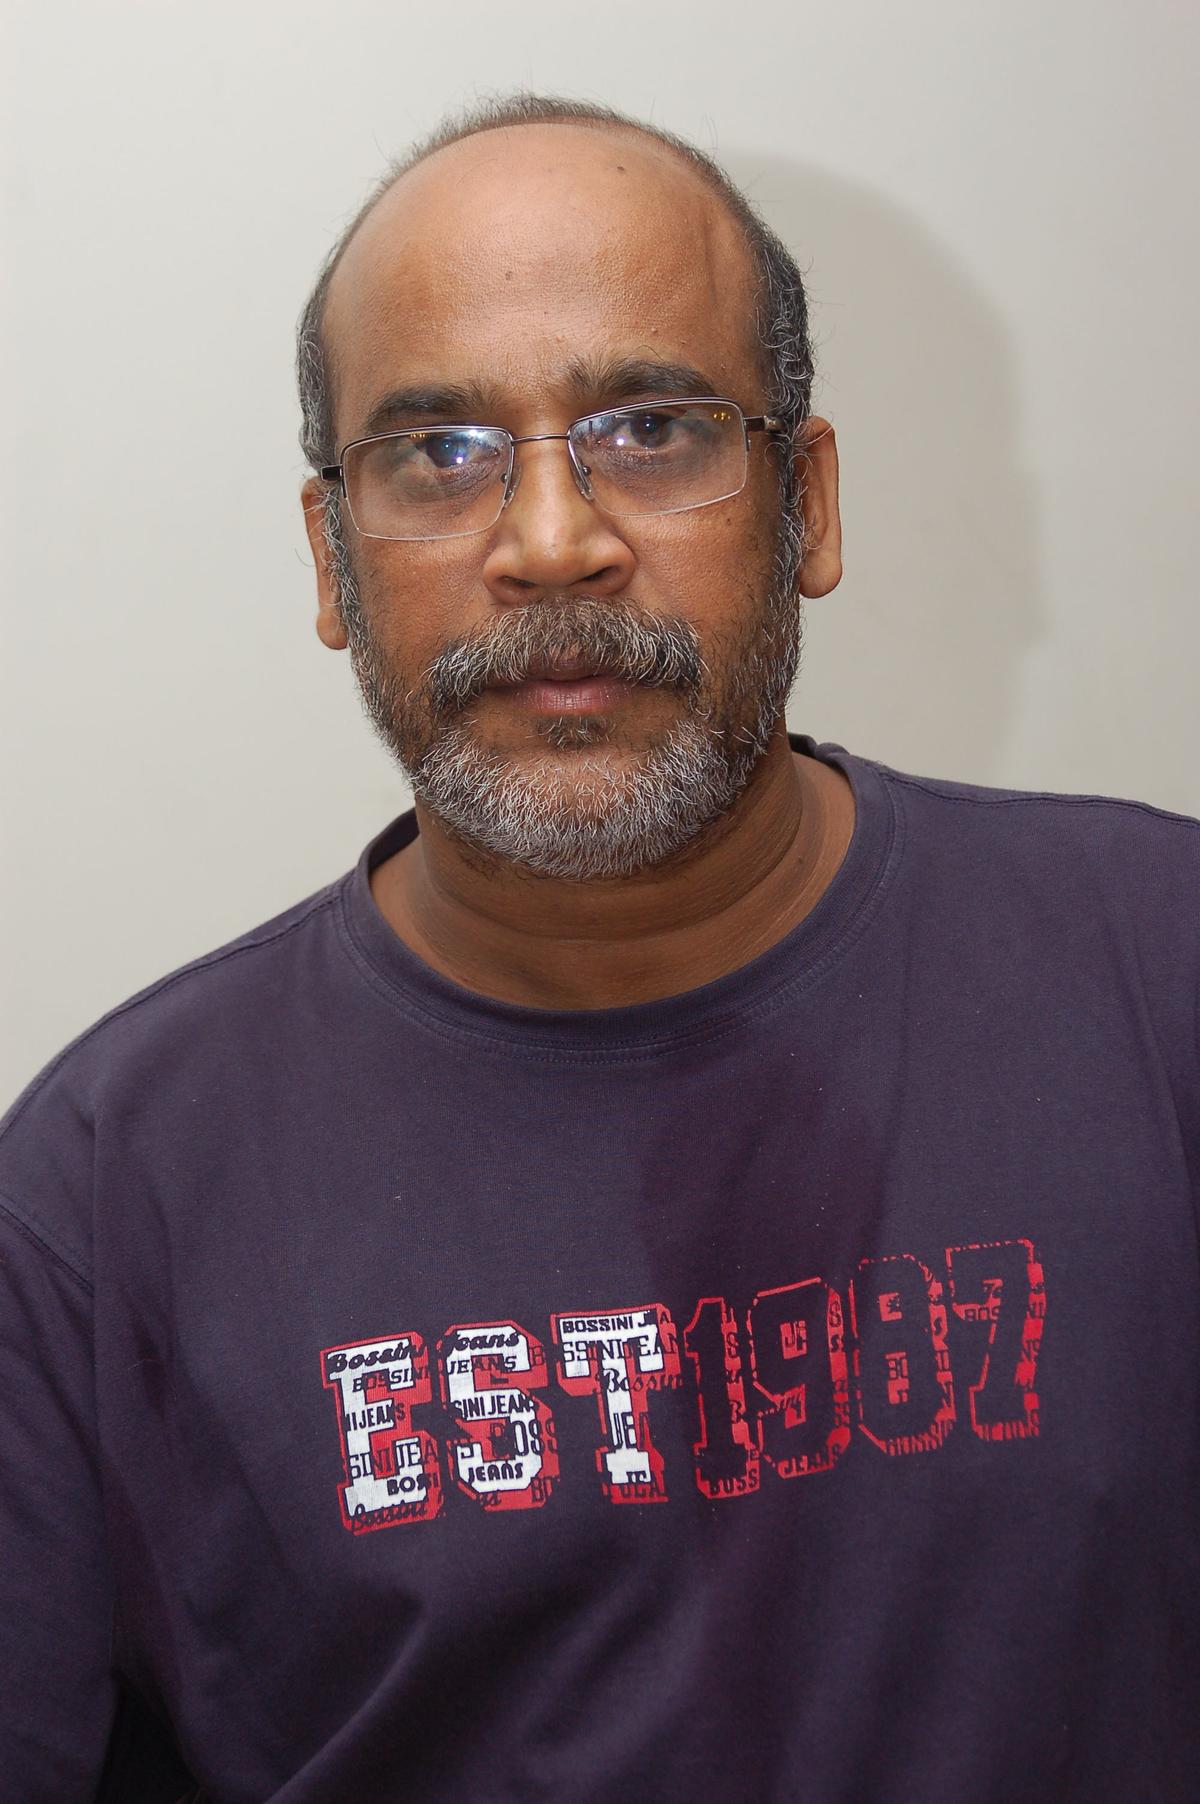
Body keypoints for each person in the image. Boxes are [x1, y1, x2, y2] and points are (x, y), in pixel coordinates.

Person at [1, 92, 1197, 1804]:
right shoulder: (103, 1200)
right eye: (438, 454)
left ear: (807, 505)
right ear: (332, 559)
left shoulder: (1160, 979)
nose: (553, 542)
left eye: (652, 429)